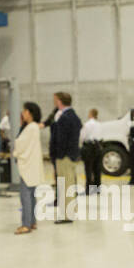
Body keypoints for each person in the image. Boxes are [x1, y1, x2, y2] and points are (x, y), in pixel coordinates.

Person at [43, 92, 81, 222]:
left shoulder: (64, 118)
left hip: (64, 157)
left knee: (65, 185)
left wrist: (57, 155)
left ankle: (67, 215)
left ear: (59, 101)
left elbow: (61, 139)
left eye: (55, 100)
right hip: (71, 156)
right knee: (69, 184)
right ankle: (71, 211)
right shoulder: (73, 116)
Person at [13, 102, 43, 235]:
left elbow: (20, 143)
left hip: (28, 165)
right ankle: (32, 221)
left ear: (29, 112)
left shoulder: (31, 127)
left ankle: (26, 224)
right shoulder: (33, 127)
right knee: (31, 195)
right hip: (32, 165)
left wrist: (15, 152)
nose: (22, 113)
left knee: (25, 196)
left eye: (24, 111)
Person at [80, 108, 102, 193]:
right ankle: (97, 188)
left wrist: (82, 143)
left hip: (89, 147)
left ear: (91, 114)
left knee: (88, 168)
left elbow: (82, 136)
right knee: (97, 168)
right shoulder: (99, 124)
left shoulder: (87, 124)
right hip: (98, 146)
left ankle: (88, 189)